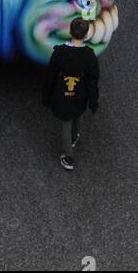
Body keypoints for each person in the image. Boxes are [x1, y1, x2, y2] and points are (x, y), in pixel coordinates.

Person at [42, 16, 100, 171]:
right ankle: (74, 137)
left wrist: (46, 96)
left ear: (70, 31)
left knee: (66, 121)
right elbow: (93, 81)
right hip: (80, 93)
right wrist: (93, 101)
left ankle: (69, 156)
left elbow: (50, 76)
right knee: (77, 113)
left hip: (62, 93)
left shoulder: (60, 52)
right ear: (87, 35)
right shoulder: (89, 56)